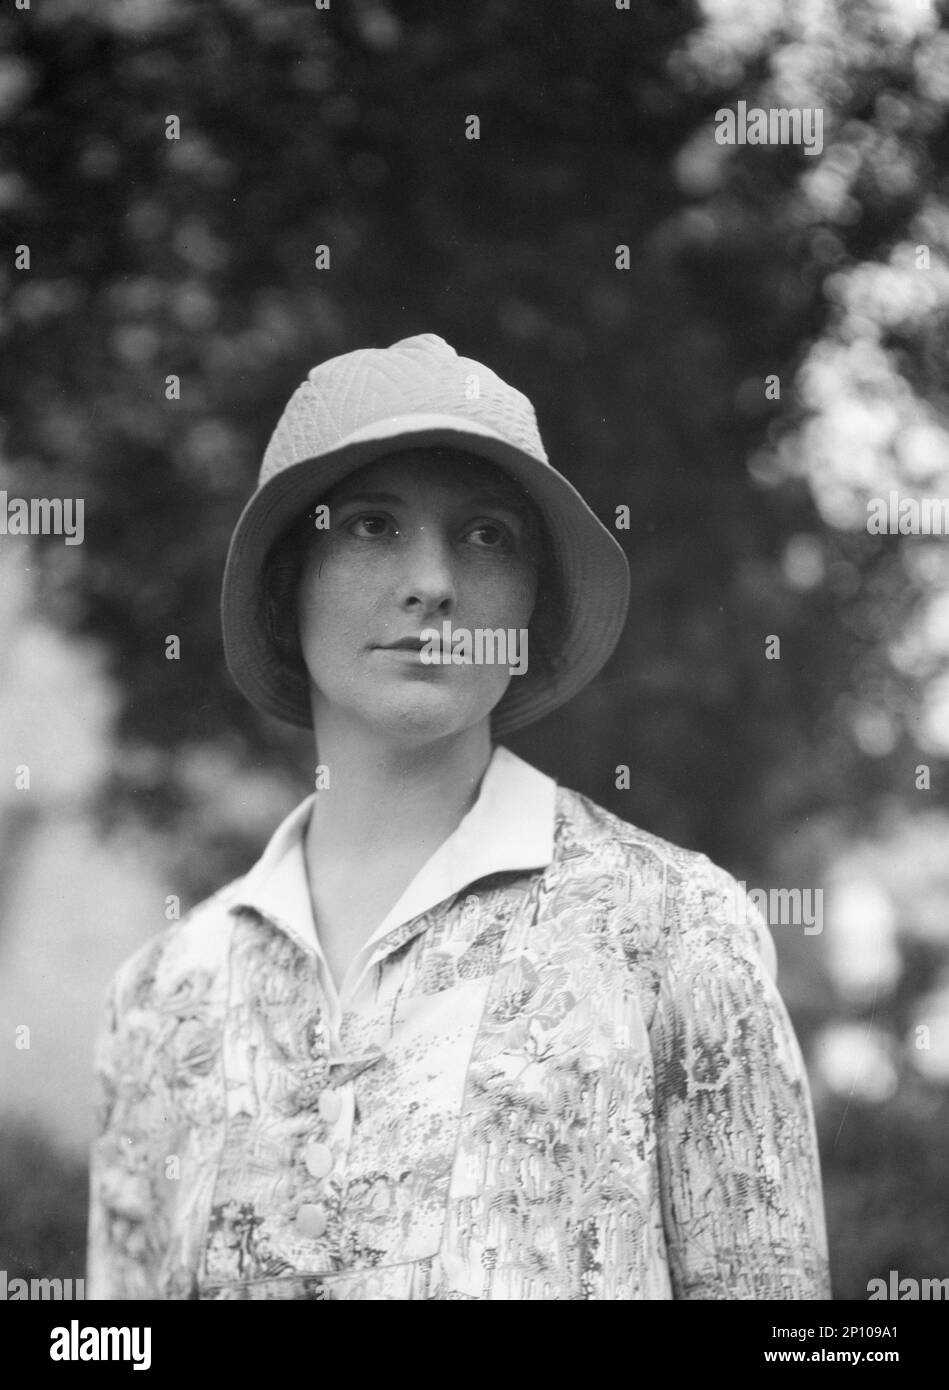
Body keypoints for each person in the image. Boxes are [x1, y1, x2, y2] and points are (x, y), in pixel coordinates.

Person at [87, 332, 831, 1300]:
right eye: (369, 525)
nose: (432, 582)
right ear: (285, 582)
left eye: (486, 535)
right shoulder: (159, 998)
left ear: (528, 606)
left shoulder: (673, 928)